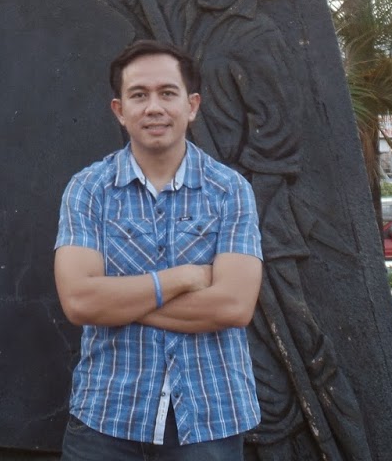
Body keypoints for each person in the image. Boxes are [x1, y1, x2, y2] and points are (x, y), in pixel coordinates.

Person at [54, 40, 264, 461]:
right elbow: (78, 302)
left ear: (192, 105)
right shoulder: (88, 190)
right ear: (119, 110)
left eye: (168, 93)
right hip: (106, 417)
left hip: (211, 417)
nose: (154, 107)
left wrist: (117, 301)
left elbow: (233, 307)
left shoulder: (230, 192)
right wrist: (181, 279)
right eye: (139, 95)